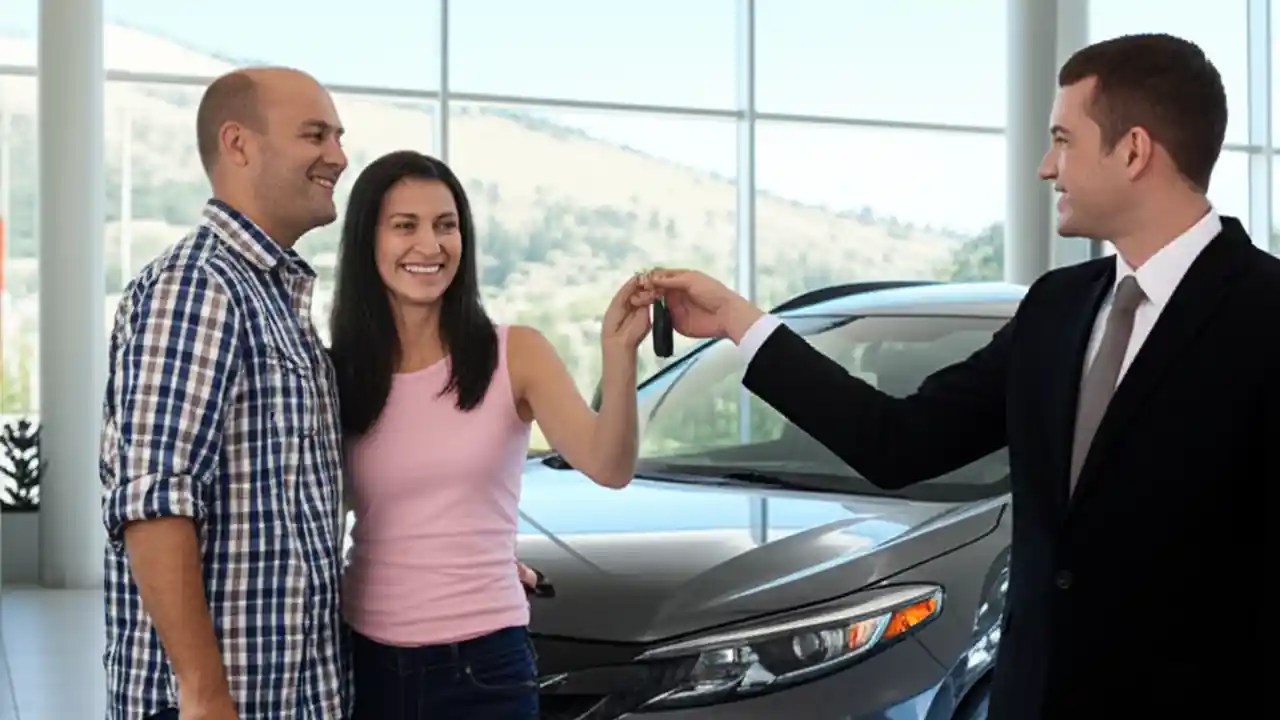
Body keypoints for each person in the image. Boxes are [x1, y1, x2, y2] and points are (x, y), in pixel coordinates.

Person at [640, 33, 1277, 720]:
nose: (1044, 167)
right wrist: (741, 322)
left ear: (1133, 150)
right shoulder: (1056, 309)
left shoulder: (1266, 314)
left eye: (1063, 139)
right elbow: (897, 441)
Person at [327, 149, 648, 719]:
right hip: (362, 661)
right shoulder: (339, 372)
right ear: (367, 242)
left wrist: (618, 355)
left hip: (482, 669)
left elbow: (609, 464)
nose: (430, 245)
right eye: (405, 225)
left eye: (446, 225)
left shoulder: (514, 353)